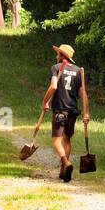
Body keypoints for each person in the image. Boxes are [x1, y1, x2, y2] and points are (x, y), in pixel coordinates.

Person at [40, 43, 89, 182]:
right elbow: (83, 94)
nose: (56, 56)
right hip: (72, 111)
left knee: (56, 140)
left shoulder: (56, 68)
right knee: (67, 139)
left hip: (60, 110)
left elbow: (53, 86)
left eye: (58, 54)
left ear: (62, 56)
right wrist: (87, 113)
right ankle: (64, 170)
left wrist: (45, 102)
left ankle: (65, 162)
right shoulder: (78, 71)